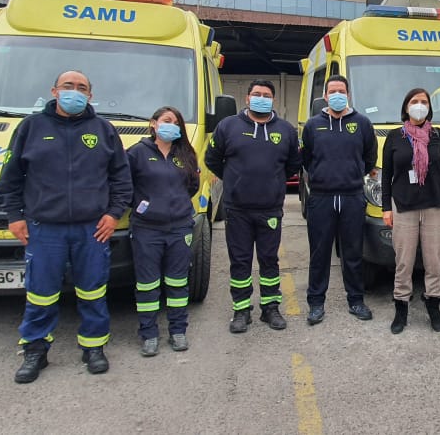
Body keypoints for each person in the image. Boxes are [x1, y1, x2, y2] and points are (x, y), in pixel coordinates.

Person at [0, 70, 132, 384]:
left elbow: (121, 180)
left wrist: (113, 215)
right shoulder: (30, 128)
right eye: (68, 86)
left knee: (93, 291)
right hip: (45, 228)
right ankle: (35, 351)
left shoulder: (104, 130)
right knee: (40, 293)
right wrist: (15, 217)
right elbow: (10, 179)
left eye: (81, 88)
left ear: (90, 94)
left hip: (92, 229)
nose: (75, 92)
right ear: (54, 91)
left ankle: (94, 348)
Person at [205, 80, 301, 334]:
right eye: (256, 94)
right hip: (237, 209)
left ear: (274, 100)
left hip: (269, 209)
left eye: (266, 95)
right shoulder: (228, 127)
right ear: (247, 99)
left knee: (269, 260)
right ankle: (241, 309)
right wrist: (236, 180)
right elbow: (212, 159)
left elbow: (293, 164)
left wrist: (274, 181)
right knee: (240, 260)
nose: (261, 98)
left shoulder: (286, 130)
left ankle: (270, 308)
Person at [302, 75, 378, 325]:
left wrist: (353, 175)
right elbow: (307, 158)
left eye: (341, 91)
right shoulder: (313, 125)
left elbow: (369, 157)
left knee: (353, 252)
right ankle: (315, 303)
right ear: (325, 96)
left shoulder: (362, 123)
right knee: (320, 253)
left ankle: (356, 301)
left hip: (352, 196)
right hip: (322, 197)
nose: (337, 95)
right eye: (332, 91)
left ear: (348, 94)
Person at [127, 106, 199, 357]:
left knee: (178, 283)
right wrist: (145, 207)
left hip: (179, 228)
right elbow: (124, 186)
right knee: (147, 285)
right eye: (166, 120)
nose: (172, 125)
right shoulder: (137, 153)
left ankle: (178, 331)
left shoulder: (185, 154)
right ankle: (149, 334)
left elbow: (192, 186)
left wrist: (176, 205)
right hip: (147, 229)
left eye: (176, 122)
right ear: (154, 124)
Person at [381, 88, 440, 334]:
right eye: (415, 101)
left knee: (434, 262)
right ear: (406, 107)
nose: (419, 105)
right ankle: (401, 306)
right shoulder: (395, 137)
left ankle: (433, 303)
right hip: (403, 207)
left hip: (435, 206)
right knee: (404, 262)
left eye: (424, 102)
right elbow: (386, 176)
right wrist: (385, 208)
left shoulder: (437, 135)